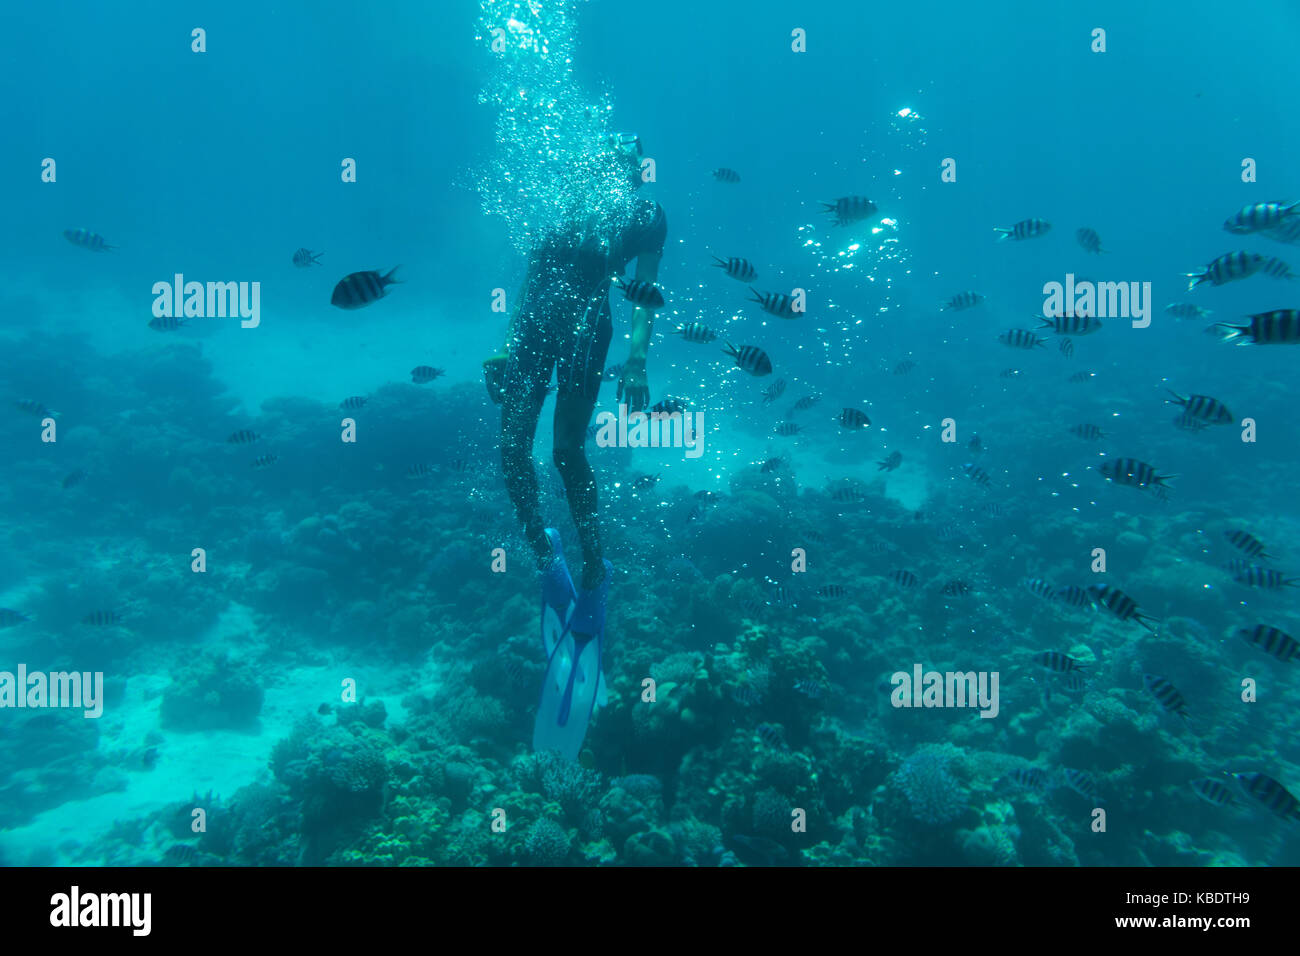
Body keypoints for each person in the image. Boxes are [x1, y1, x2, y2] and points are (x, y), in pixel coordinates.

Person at [483, 132, 666, 759]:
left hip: (591, 329)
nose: (614, 171)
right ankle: (547, 562)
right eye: (605, 161)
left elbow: (646, 297)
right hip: (535, 326)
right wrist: (507, 347)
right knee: (510, 449)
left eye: (624, 164)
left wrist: (637, 363)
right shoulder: (564, 203)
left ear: (637, 172)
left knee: (566, 453)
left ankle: (594, 579)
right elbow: (532, 279)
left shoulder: (646, 217)